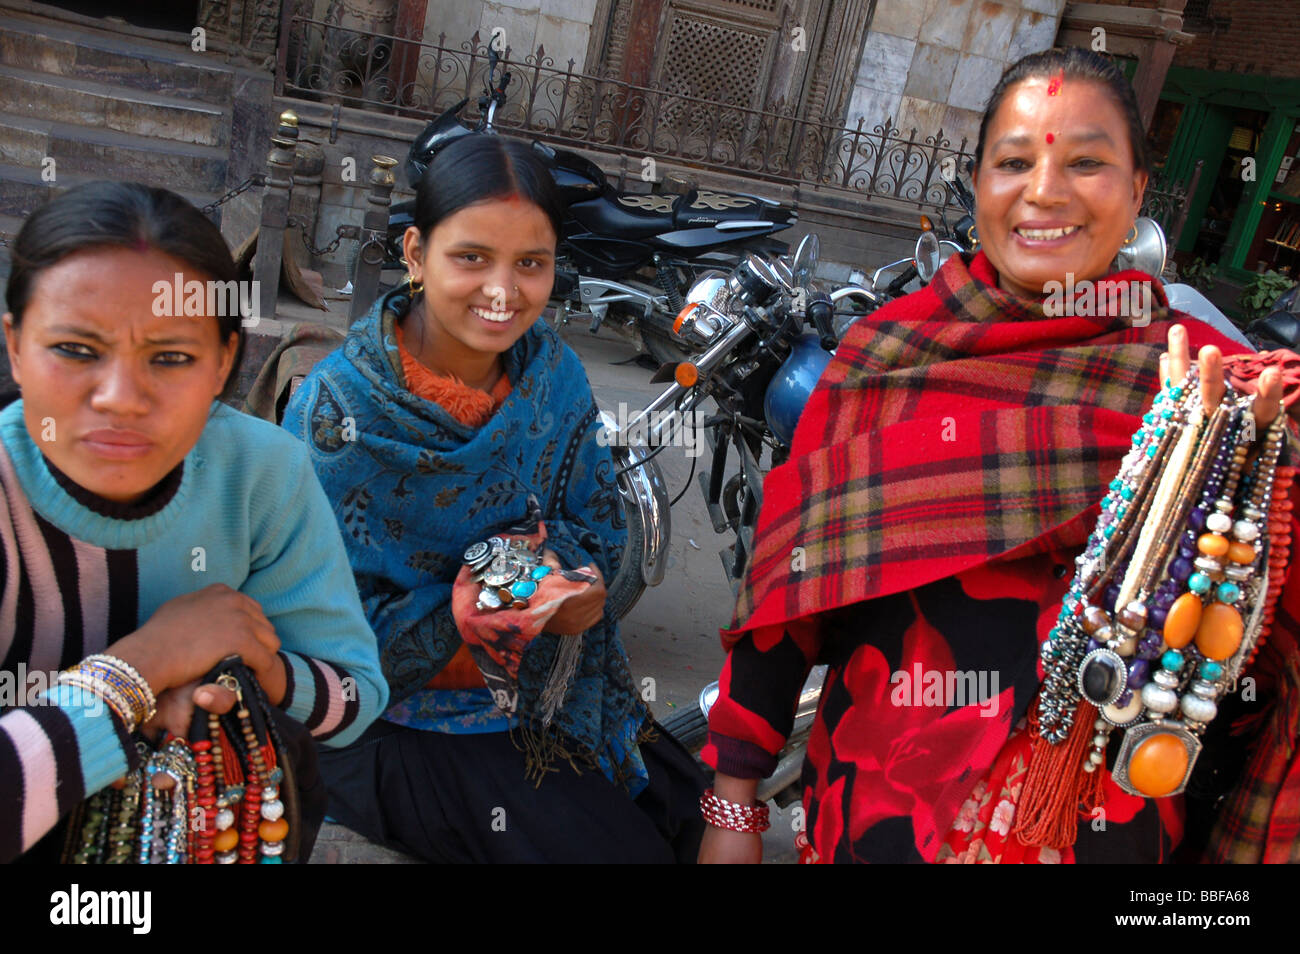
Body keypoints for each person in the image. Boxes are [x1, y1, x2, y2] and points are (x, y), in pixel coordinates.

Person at [699, 48, 1300, 864]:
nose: (1045, 192)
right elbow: (786, 603)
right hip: (883, 806)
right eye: (1014, 161)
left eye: (1086, 162)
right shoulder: (885, 360)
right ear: (978, 183)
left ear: (1136, 193)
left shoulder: (1204, 387)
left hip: (1100, 821)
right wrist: (733, 805)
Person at [283, 135, 706, 863]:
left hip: (557, 687)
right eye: (471, 257)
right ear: (415, 253)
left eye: (530, 264)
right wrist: (502, 599)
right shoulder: (340, 416)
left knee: (700, 823)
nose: (503, 292)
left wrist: (566, 584)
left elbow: (599, 529)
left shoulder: (552, 371)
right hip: (395, 723)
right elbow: (317, 630)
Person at [0, 182, 388, 864]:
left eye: (171, 357)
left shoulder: (261, 473)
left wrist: (250, 674)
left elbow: (354, 697)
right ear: (14, 347)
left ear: (223, 364)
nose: (120, 398)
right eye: (76, 349)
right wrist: (144, 667)